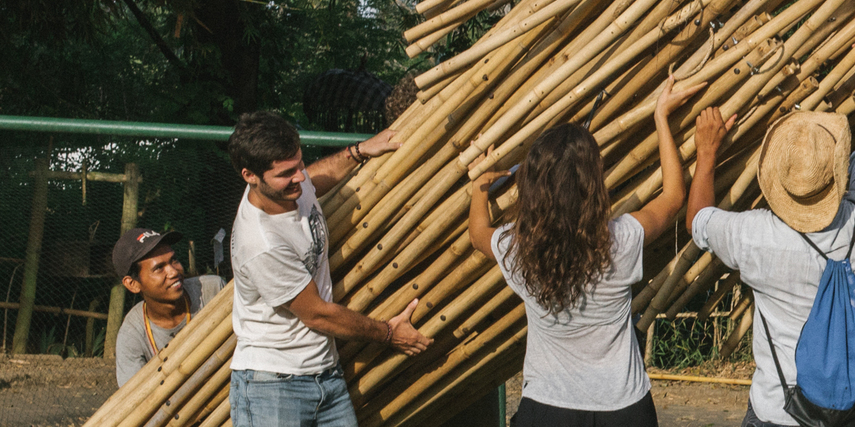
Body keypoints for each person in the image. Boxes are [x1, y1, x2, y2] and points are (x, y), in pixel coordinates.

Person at [468, 71, 708, 427]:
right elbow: (673, 197)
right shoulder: (619, 240)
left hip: (547, 409)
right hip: (623, 409)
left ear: (534, 186)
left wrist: (479, 189)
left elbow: (477, 234)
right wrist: (660, 117)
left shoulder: (516, 248)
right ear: (593, 182)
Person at [688, 23, 855, 427]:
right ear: (836, 175)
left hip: (777, 415)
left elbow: (698, 221)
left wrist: (707, 153)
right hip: (853, 417)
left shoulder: (757, 237)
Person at [228, 111, 431, 427]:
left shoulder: (289, 185)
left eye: (298, 164)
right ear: (249, 175)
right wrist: (389, 333)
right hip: (274, 386)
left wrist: (358, 151)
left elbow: (314, 176)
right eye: (286, 173)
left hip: (325, 374)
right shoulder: (261, 242)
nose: (299, 177)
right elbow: (317, 314)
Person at [112, 227, 225, 386]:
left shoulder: (213, 292)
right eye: (159, 268)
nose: (173, 272)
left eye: (174, 260)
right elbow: (136, 400)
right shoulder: (132, 335)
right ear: (133, 284)